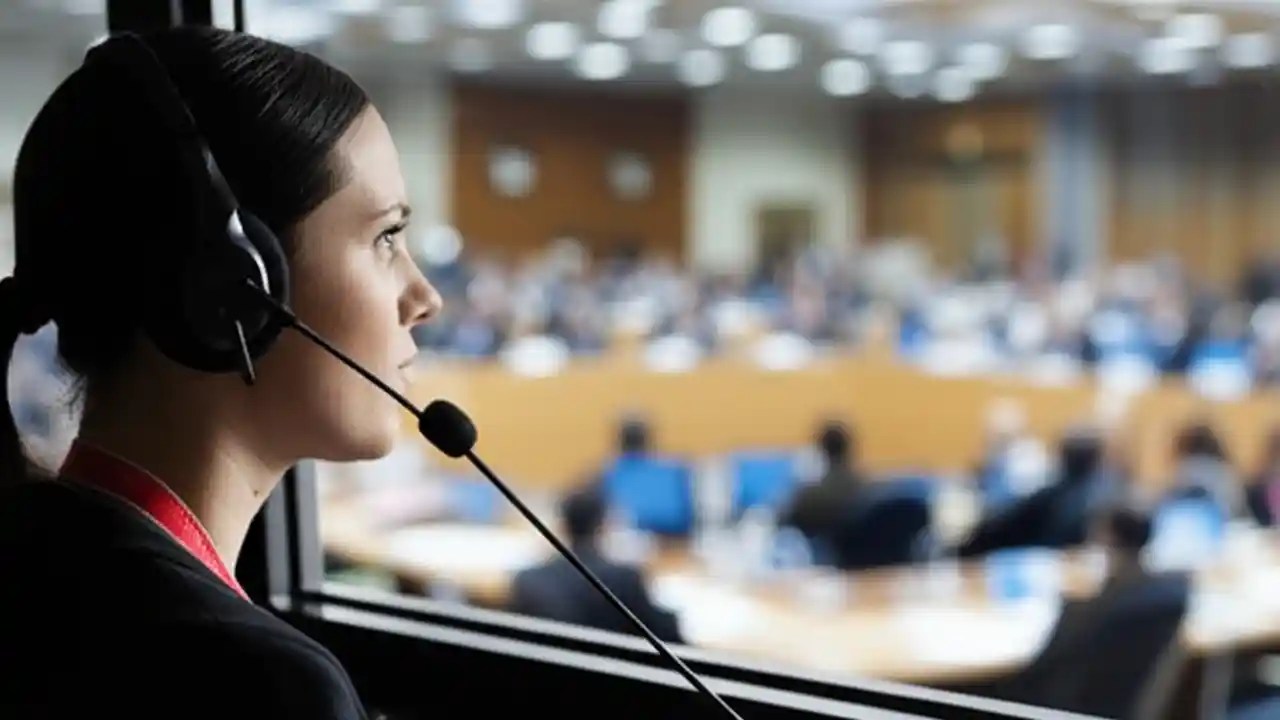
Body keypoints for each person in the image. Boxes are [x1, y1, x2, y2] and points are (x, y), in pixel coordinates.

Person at [0, 28, 440, 718]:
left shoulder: (35, 558)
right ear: (233, 286)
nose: (425, 298)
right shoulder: (254, 681)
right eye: (385, 237)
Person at [509, 486, 682, 643]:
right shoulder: (625, 580)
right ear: (603, 525)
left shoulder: (528, 580)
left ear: (563, 525)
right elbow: (666, 637)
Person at [778, 420, 865, 553]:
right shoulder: (867, 489)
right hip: (864, 564)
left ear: (821, 451)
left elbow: (781, 522)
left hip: (821, 563)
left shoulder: (811, 495)